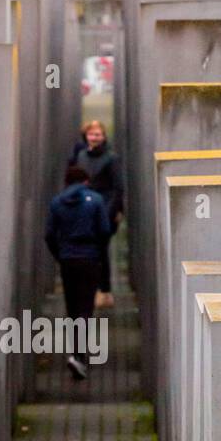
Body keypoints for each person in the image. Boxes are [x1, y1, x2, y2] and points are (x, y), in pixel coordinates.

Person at [45, 166, 111, 381]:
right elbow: (104, 231)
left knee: (72, 307)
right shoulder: (96, 200)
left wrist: (60, 254)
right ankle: (79, 356)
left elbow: (49, 235)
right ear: (85, 181)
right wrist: (98, 253)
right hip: (89, 259)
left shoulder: (56, 202)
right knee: (85, 308)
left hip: (67, 259)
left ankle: (77, 354)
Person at [67, 120, 124, 309]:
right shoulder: (81, 155)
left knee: (101, 250)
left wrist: (111, 213)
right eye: (92, 134)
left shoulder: (112, 158)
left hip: (104, 210)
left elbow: (118, 188)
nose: (95, 138)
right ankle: (90, 290)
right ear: (86, 136)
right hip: (83, 210)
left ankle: (104, 291)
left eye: (98, 134)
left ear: (104, 136)